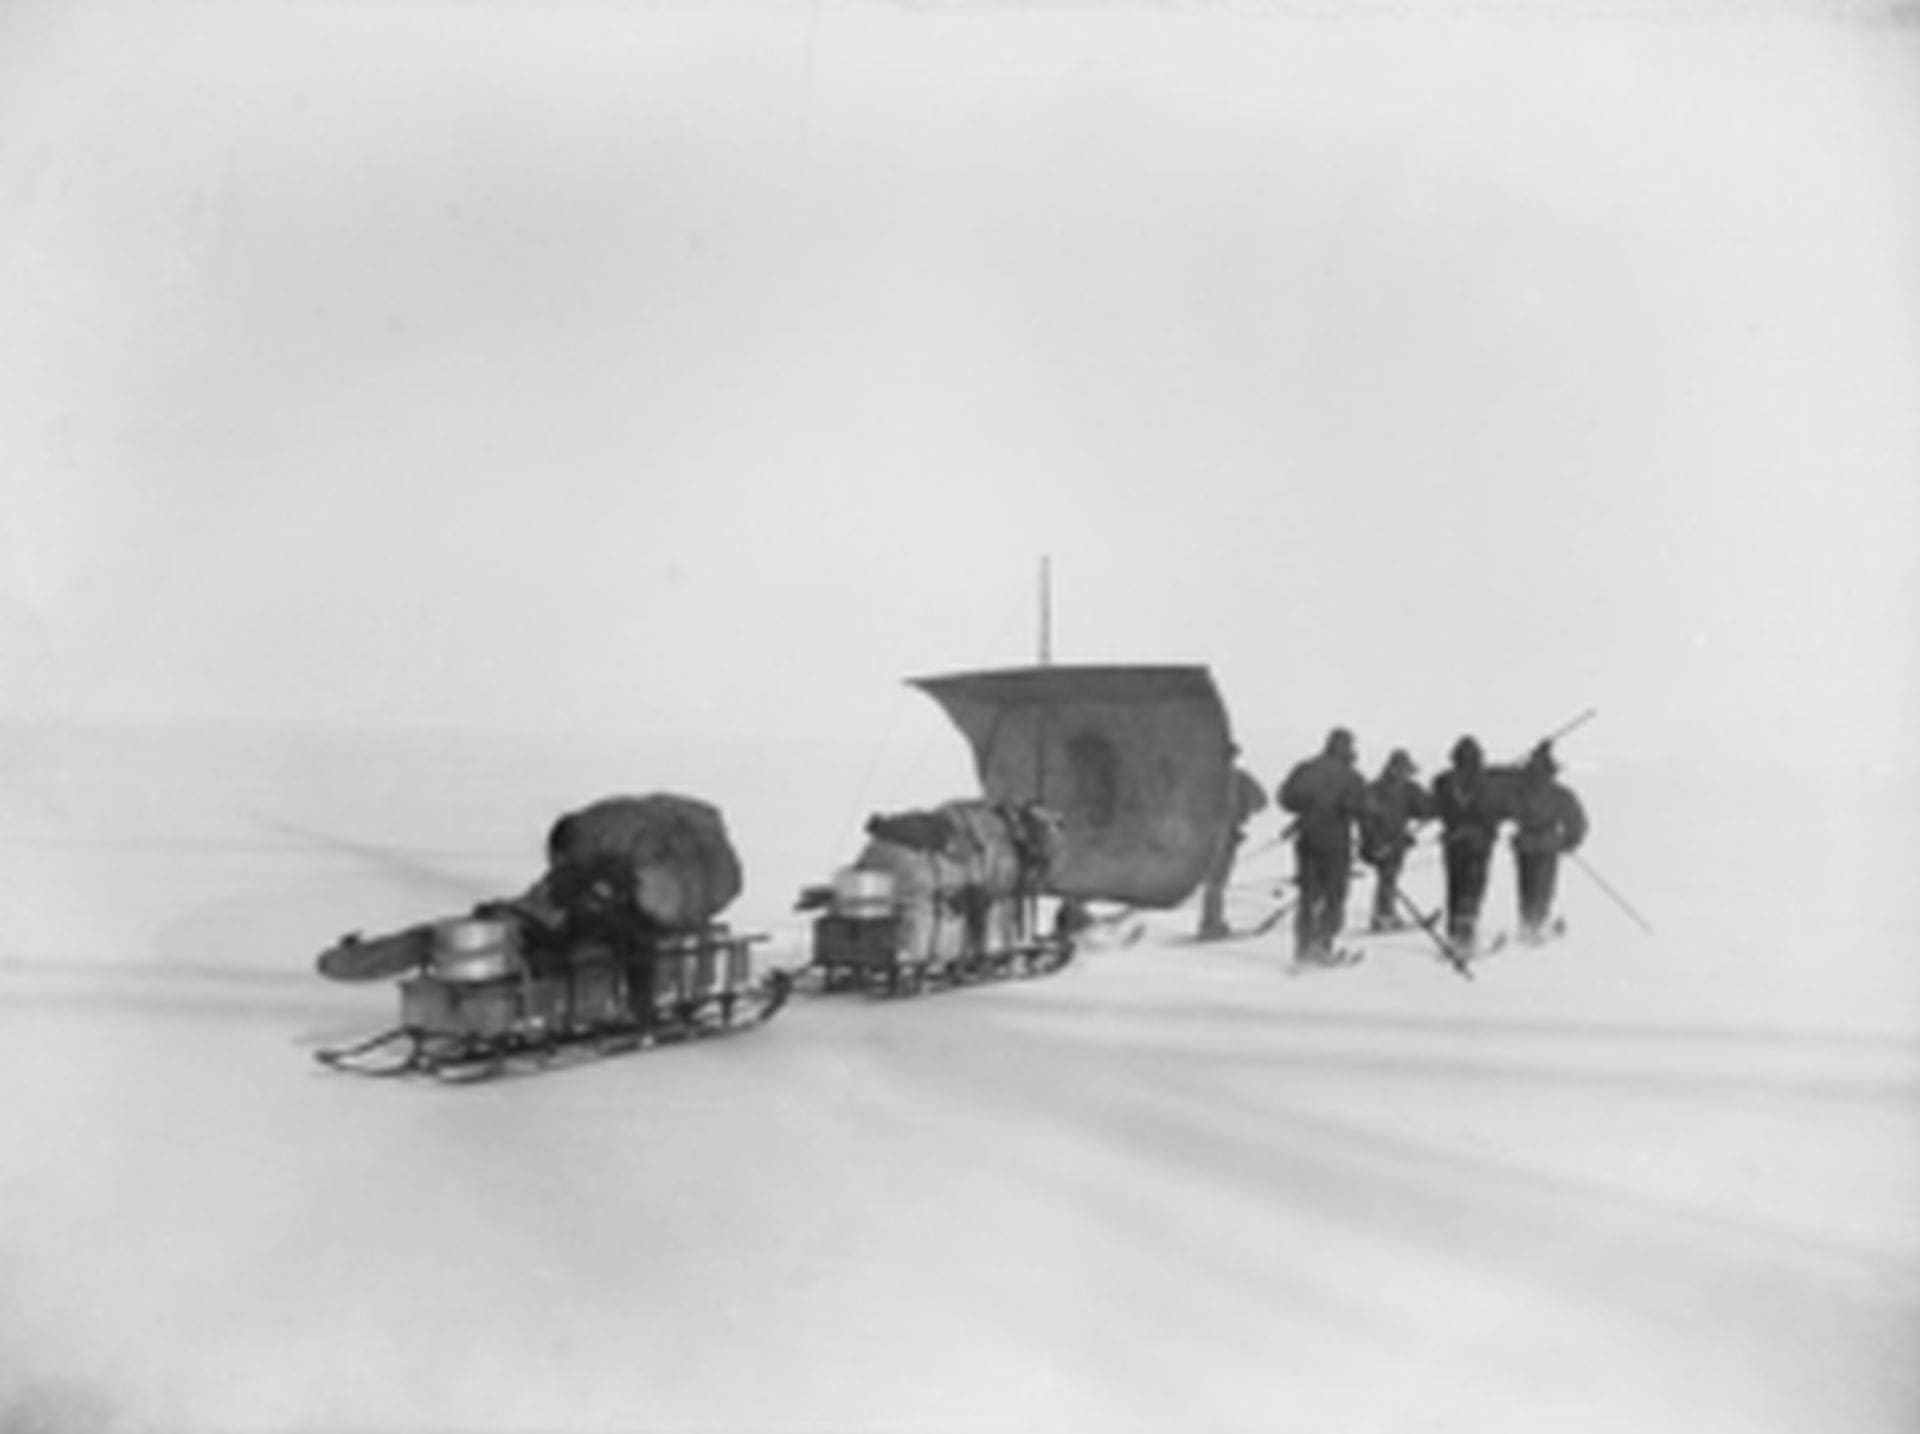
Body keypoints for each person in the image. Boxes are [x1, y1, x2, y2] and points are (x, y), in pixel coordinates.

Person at [1276, 728, 1370, 964]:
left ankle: (1303, 946)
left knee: (1309, 894)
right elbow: (1361, 809)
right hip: (1335, 842)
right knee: (1334, 895)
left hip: (1306, 839)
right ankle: (1321, 945)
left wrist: (1308, 809)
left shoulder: (1305, 770)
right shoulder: (1351, 777)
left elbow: (1286, 799)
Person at [1429, 735, 1505, 953]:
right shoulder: (1488, 782)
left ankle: (1454, 934)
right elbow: (1495, 810)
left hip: (1452, 842)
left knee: (1454, 885)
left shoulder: (1442, 781)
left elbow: (1437, 807)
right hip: (1478, 843)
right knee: (1473, 886)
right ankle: (1465, 936)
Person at [1509, 741, 1589, 943]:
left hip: (1525, 844)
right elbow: (1576, 821)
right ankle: (1537, 924)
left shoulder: (1519, 792)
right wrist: (1569, 842)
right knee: (1543, 886)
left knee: (1526, 885)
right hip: (1547, 844)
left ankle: (1527, 923)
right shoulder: (1560, 794)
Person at [1359, 748, 1432, 933]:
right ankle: (1383, 916)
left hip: (1397, 841)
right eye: (1404, 770)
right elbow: (1365, 819)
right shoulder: (1375, 790)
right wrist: (1374, 844)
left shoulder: (1408, 789)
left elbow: (1424, 807)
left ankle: (1386, 913)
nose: (1406, 775)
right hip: (1379, 842)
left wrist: (1437, 808)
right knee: (1387, 876)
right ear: (1393, 769)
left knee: (1389, 876)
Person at [1197, 762, 1270, 940]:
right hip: (1227, 832)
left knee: (1212, 880)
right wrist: (1243, 808)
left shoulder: (1201, 777)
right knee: (1217, 880)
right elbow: (1261, 802)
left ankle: (1210, 921)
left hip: (1204, 833)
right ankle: (1212, 923)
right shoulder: (1240, 778)